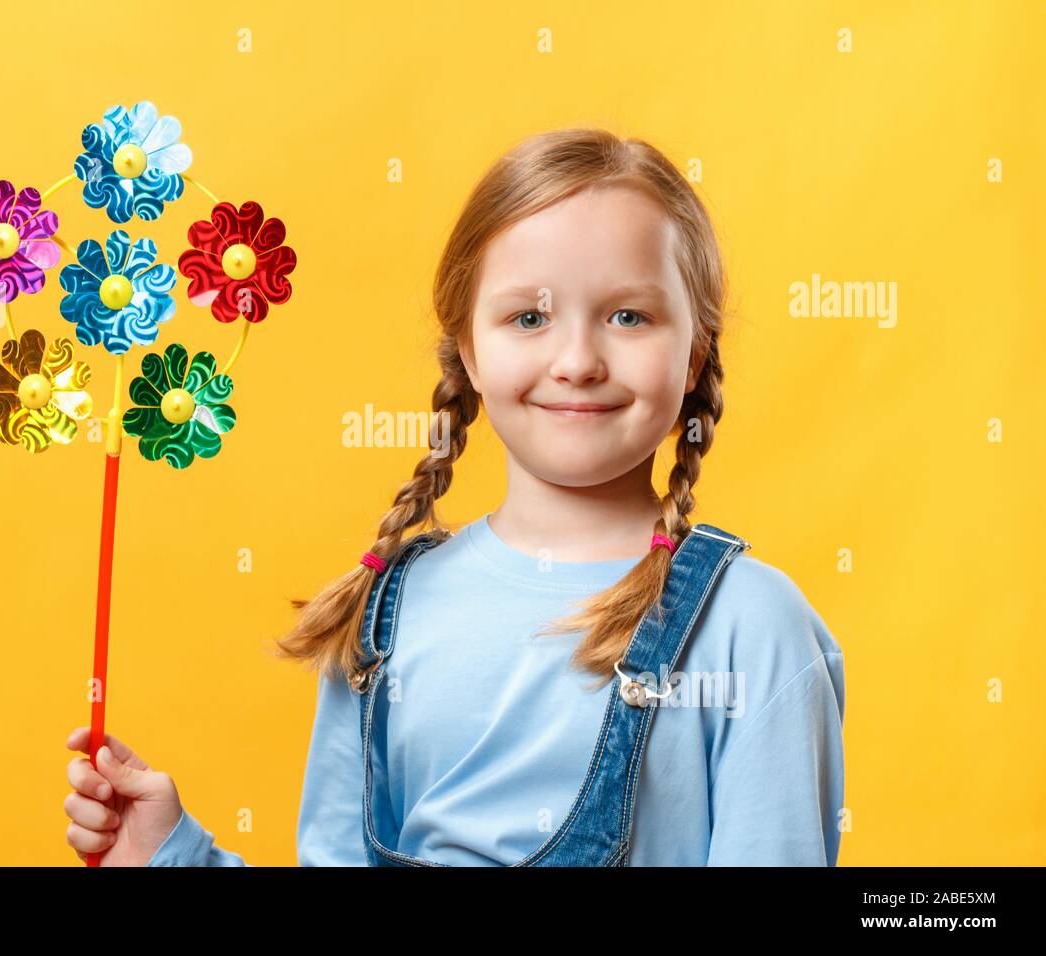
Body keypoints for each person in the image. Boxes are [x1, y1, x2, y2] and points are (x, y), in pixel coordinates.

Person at [63, 127, 846, 867]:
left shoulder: (751, 630)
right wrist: (171, 852)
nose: (576, 360)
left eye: (628, 316)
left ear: (695, 347)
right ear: (468, 349)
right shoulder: (386, 614)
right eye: (529, 317)